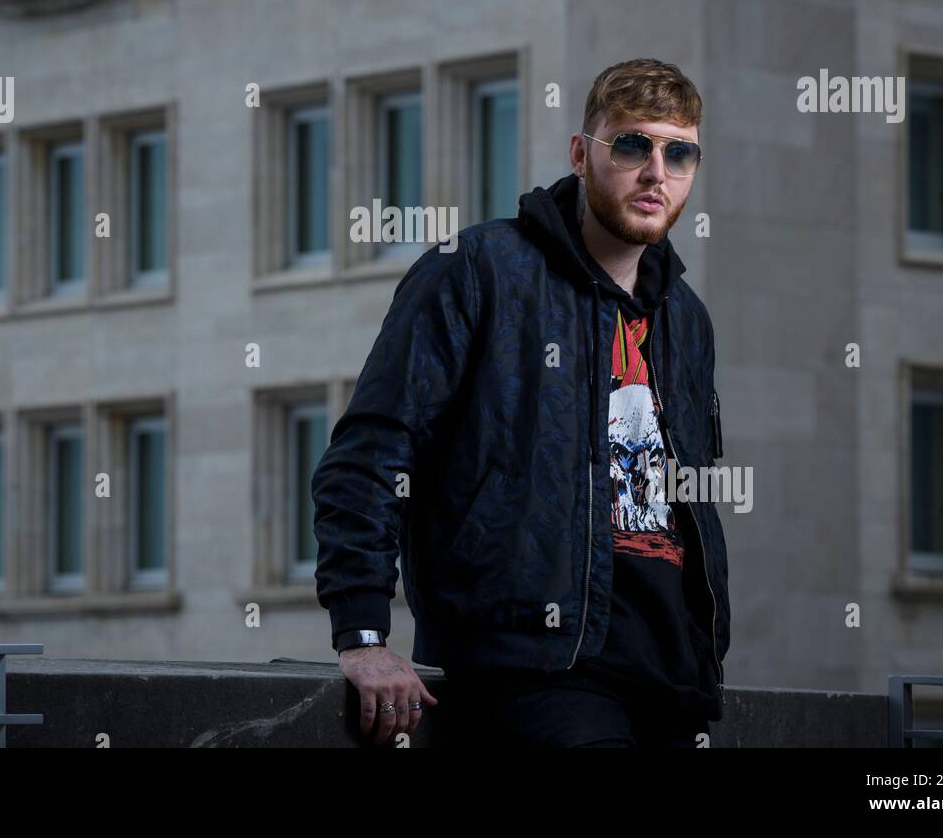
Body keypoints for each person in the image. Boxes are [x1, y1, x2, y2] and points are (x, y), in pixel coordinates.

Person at [312, 58, 729, 748]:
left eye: (678, 152)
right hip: (533, 669)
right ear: (580, 152)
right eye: (632, 145)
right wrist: (362, 634)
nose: (656, 171)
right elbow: (370, 454)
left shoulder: (686, 316)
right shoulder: (479, 270)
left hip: (673, 679)